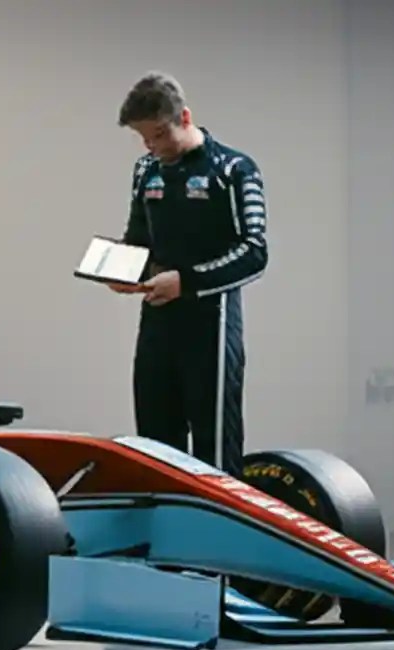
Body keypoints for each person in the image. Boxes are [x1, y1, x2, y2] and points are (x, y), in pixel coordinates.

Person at [109, 72, 268, 478]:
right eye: (144, 138)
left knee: (214, 446)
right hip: (157, 319)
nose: (152, 146)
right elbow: (138, 239)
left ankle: (220, 539)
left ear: (184, 117)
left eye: (159, 135)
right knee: (154, 445)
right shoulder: (146, 169)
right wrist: (125, 271)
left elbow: (254, 252)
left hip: (210, 325)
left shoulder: (233, 168)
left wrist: (187, 282)